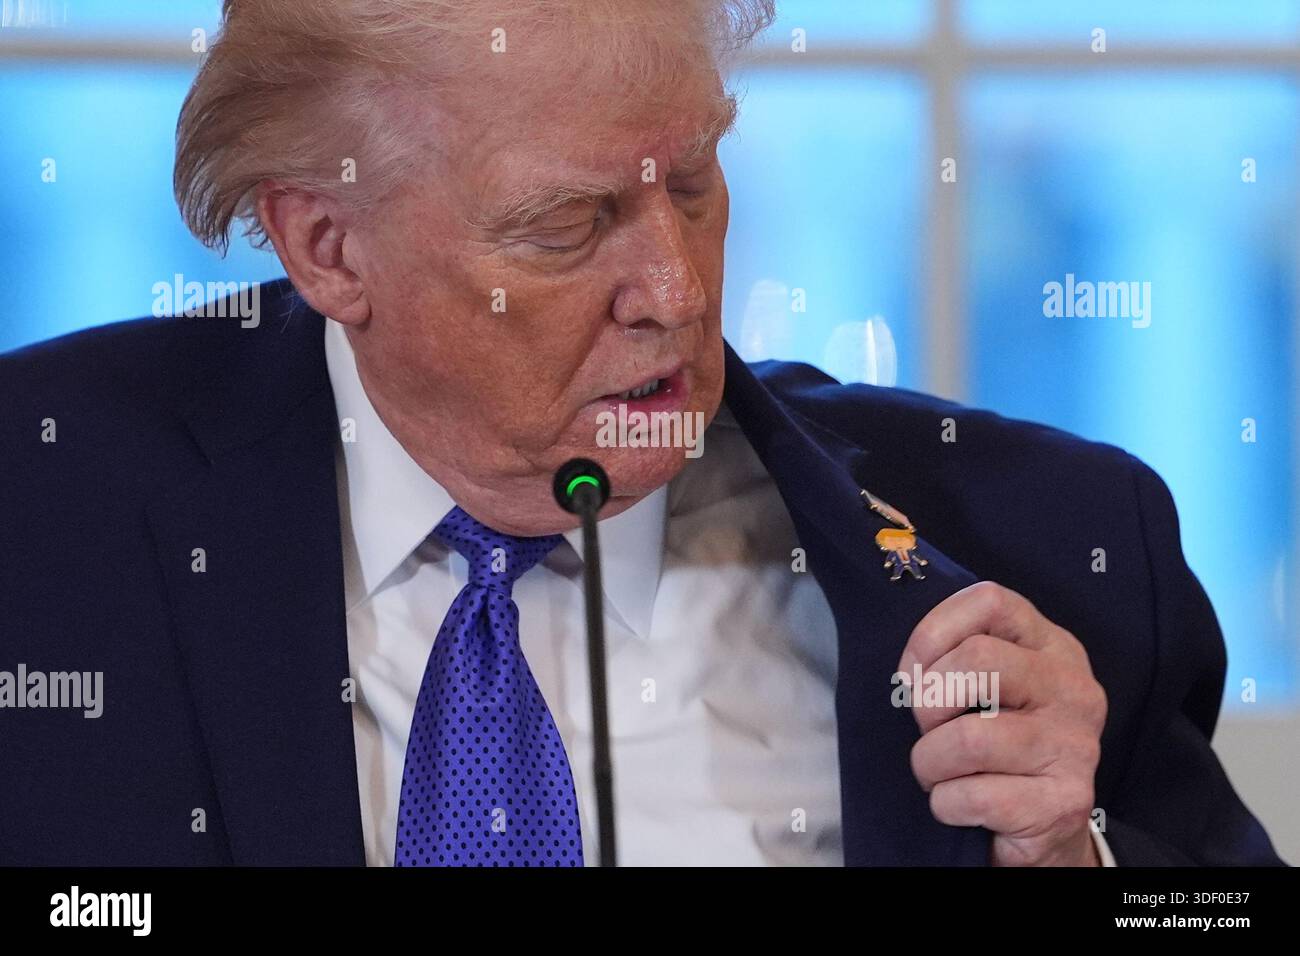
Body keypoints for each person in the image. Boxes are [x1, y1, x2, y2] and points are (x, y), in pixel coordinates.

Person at [0, 0, 1282, 866]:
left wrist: (1077, 860)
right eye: (565, 225)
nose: (675, 288)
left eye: (692, 182)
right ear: (327, 246)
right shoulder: (40, 505)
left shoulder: (1048, 541)